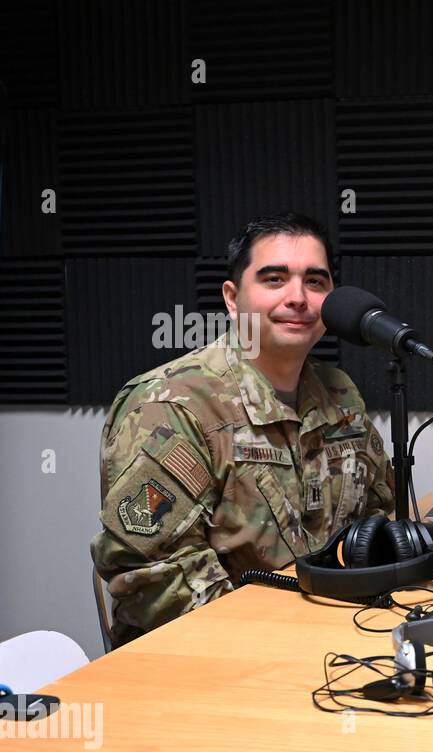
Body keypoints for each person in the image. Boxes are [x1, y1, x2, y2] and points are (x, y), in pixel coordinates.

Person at [91, 211, 395, 646]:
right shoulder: (172, 404)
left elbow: (379, 512)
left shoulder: (338, 393)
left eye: (315, 281)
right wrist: (276, 640)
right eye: (274, 279)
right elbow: (150, 571)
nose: (298, 297)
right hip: (212, 657)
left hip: (331, 637)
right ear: (233, 298)